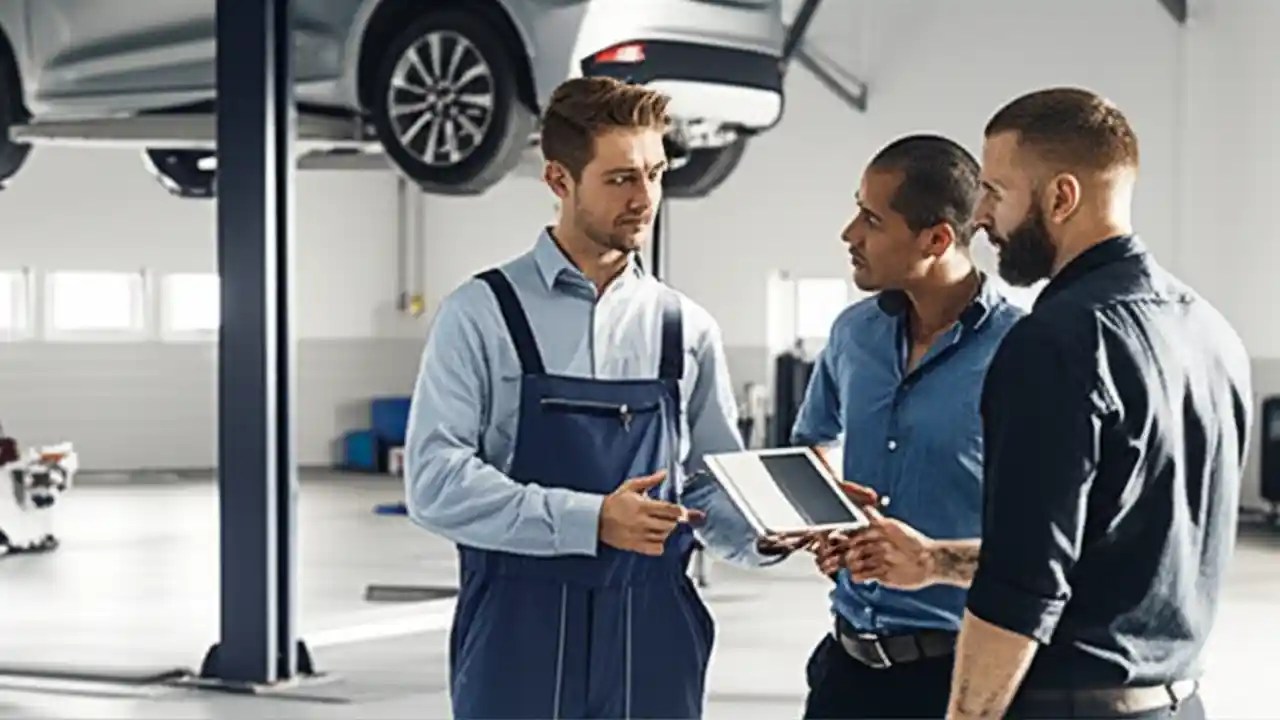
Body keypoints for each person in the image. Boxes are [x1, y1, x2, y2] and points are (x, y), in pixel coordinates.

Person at [848, 88, 1252, 719]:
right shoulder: (1210, 332)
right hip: (1178, 703)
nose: (980, 218)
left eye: (995, 193)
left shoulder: (1057, 340)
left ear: (1061, 198)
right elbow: (1098, 549)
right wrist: (933, 560)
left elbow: (1024, 588)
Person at [403, 76, 775, 720]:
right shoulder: (482, 315)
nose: (646, 198)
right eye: (621, 179)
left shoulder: (685, 328)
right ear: (558, 181)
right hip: (518, 628)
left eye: (656, 174)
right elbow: (435, 482)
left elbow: (710, 487)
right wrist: (593, 518)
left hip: (654, 627)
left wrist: (777, 529)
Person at [786, 134, 1026, 720]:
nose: (850, 235)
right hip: (846, 669)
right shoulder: (852, 335)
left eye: (871, 219)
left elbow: (1050, 532)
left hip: (957, 678)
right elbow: (811, 442)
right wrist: (827, 514)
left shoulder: (1023, 351)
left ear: (937, 238)